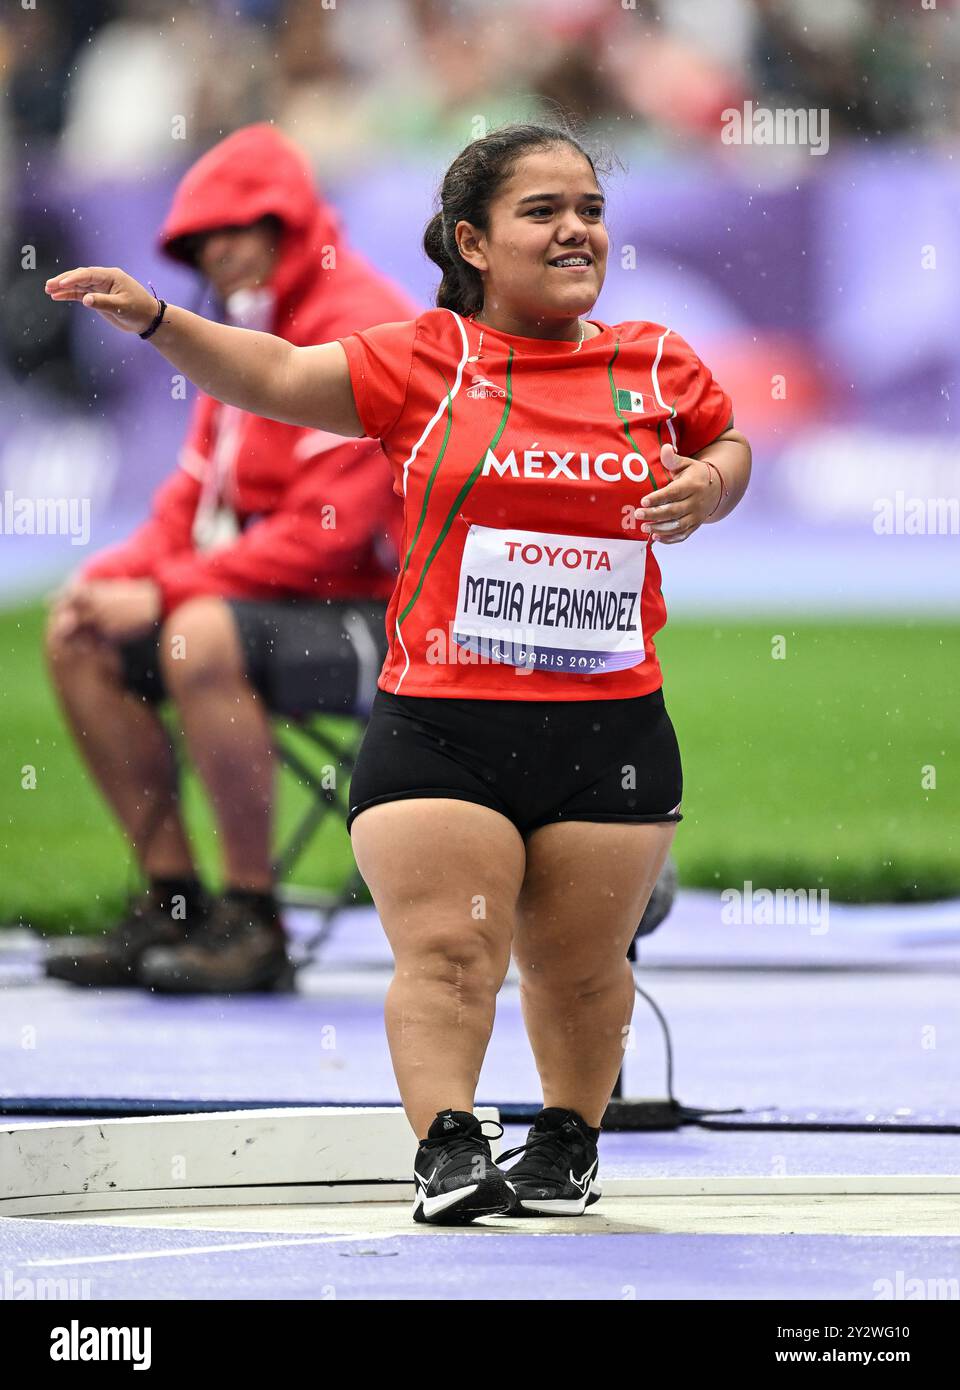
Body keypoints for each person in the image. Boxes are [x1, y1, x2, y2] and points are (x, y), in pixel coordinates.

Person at [45, 121, 751, 1222]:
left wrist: (709, 487)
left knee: (579, 967)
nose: (577, 230)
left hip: (610, 729)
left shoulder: (656, 358)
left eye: (591, 211)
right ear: (472, 241)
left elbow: (727, 442)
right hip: (443, 723)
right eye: (543, 211)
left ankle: (568, 1141)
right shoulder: (424, 357)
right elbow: (275, 374)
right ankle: (450, 1146)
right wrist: (157, 320)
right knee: (447, 952)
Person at [44, 124, 417, 994]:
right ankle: (173, 904)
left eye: (233, 230)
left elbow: (329, 535)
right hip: (274, 604)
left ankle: (255, 922)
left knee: (197, 632)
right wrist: (112, 580)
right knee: (79, 630)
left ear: (289, 225)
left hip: (387, 618)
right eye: (200, 242)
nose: (216, 254)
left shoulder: (361, 324)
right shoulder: (238, 326)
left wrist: (165, 592)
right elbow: (191, 499)